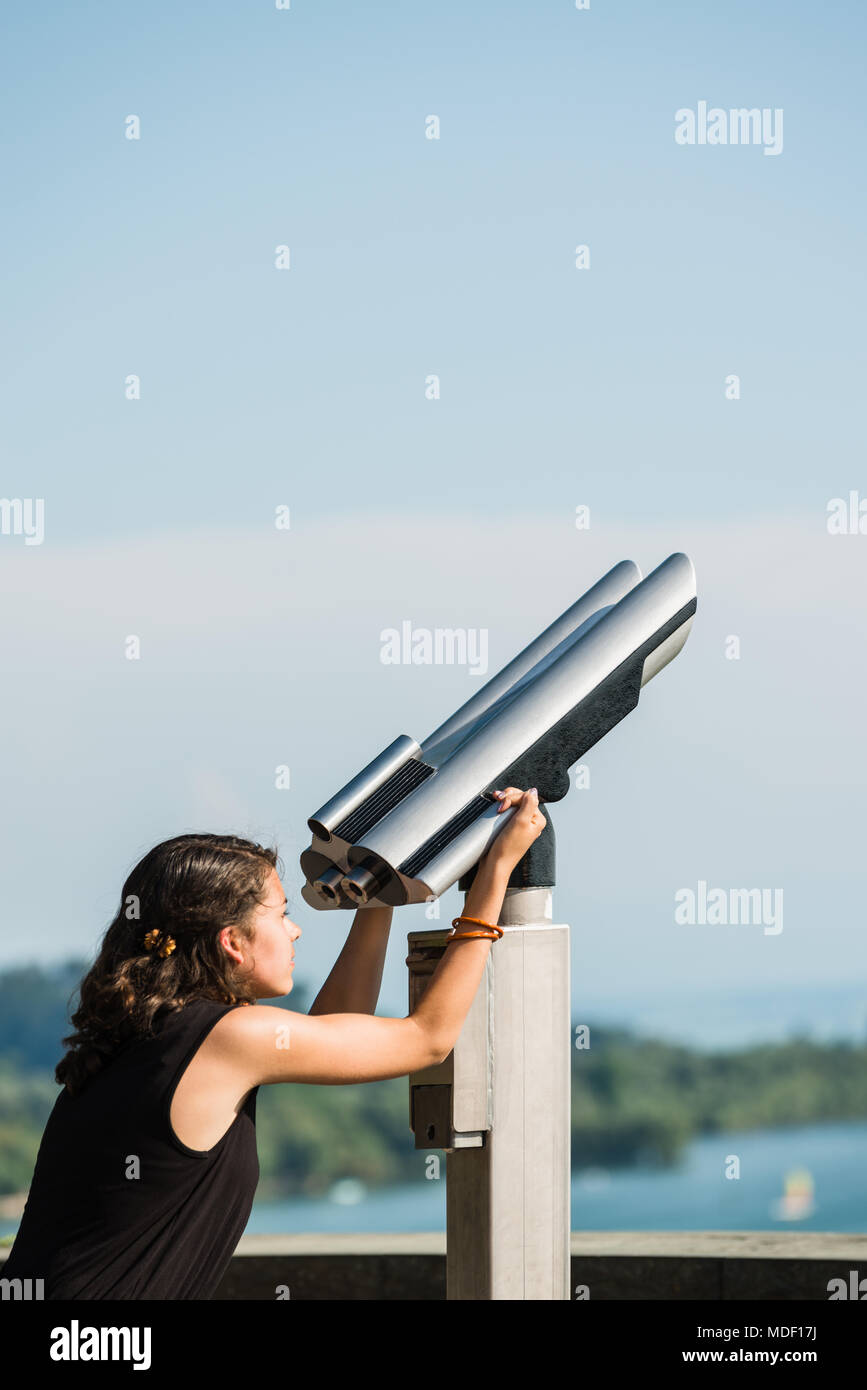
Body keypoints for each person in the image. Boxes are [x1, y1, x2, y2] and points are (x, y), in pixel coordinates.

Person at [2, 786, 545, 1299]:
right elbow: (426, 1039)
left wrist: (378, 895)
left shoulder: (154, 1033)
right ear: (232, 942)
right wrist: (495, 872)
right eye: (282, 914)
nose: (294, 931)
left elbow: (335, 1029)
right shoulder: (229, 1036)